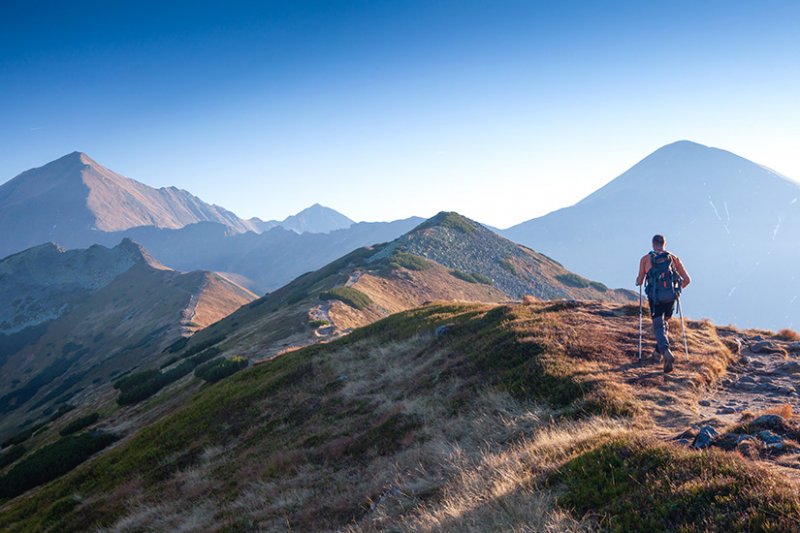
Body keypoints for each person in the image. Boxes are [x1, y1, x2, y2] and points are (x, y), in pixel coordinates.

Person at [636, 234, 691, 373]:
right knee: (664, 324)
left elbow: (640, 280)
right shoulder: (673, 258)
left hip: (655, 298)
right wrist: (676, 291)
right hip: (670, 297)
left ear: (653, 244)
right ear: (664, 243)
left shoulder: (646, 259)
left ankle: (666, 352)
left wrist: (639, 280)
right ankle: (657, 355)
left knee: (658, 326)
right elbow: (687, 280)